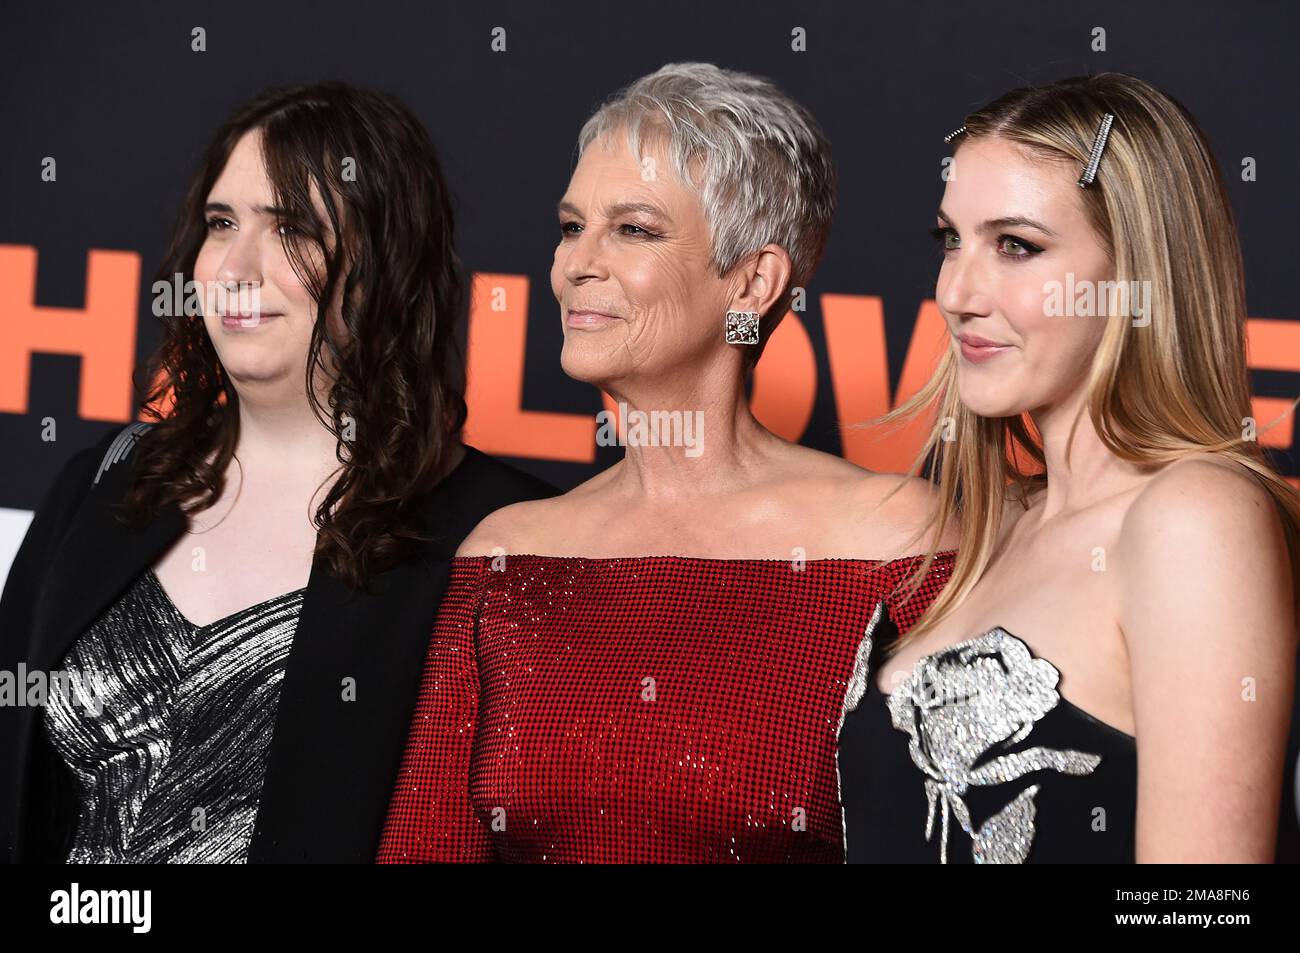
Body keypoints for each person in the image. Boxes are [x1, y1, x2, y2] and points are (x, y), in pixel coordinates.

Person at [378, 62, 958, 864]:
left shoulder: (899, 543)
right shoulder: (503, 556)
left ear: (753, 282)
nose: (577, 262)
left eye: (634, 229)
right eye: (571, 224)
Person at [0, 82, 557, 864]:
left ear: (383, 261)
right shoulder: (105, 481)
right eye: (221, 223)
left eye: (292, 227)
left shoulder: (502, 538)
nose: (235, 266)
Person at [838, 73, 1300, 863]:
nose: (956, 291)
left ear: (1137, 276)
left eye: (1016, 245)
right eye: (952, 238)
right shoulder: (996, 522)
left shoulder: (1194, 519)